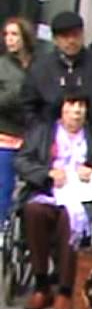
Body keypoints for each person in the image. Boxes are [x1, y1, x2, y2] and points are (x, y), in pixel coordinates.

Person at [14, 89, 92, 309]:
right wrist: (47, 172)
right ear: (61, 111)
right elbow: (23, 160)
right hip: (47, 192)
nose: (76, 114)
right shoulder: (43, 133)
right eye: (71, 108)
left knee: (70, 219)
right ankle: (42, 284)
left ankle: (65, 289)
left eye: (81, 109)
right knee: (33, 211)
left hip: (82, 198)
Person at [21, 11, 92, 138]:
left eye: (75, 35)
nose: (71, 41)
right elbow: (28, 106)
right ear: (55, 40)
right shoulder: (40, 69)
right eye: (65, 37)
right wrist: (40, 133)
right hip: (50, 141)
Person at [1, 17, 34, 222]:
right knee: (4, 184)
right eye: (6, 35)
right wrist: (17, 95)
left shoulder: (39, 64)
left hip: (32, 133)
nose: (9, 40)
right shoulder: (2, 65)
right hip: (5, 132)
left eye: (14, 35)